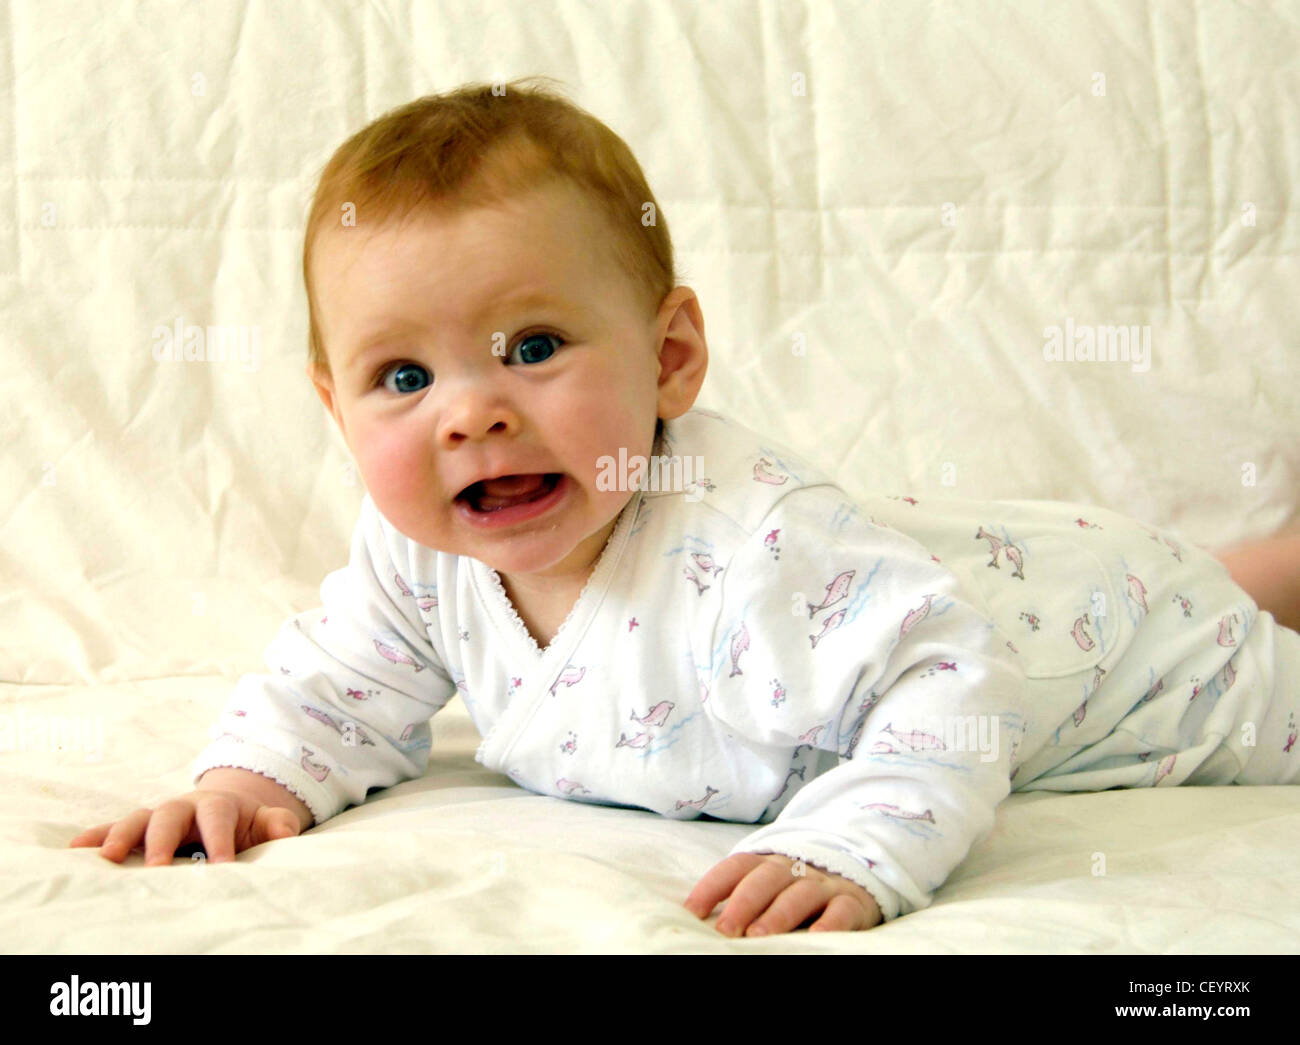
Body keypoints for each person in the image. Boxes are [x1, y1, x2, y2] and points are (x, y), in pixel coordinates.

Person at [69, 79, 1300, 938]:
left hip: (1098, 664)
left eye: (534, 345)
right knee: (1124, 573)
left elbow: (953, 677)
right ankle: (1259, 564)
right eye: (404, 377)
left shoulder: (752, 540)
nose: (469, 414)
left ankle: (1250, 585)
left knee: (1196, 645)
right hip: (1010, 564)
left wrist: (856, 843)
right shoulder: (417, 550)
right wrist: (249, 773)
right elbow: (337, 684)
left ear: (669, 360)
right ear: (334, 407)